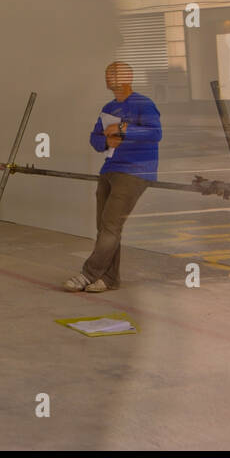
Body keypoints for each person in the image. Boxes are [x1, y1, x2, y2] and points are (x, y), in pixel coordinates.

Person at [64, 61, 161, 292]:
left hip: (135, 171)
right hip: (109, 170)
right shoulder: (109, 107)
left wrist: (124, 130)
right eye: (107, 72)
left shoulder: (143, 103)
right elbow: (95, 139)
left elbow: (156, 133)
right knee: (106, 228)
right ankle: (109, 279)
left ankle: (88, 274)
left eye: (115, 72)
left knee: (110, 227)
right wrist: (107, 140)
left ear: (129, 76)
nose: (109, 76)